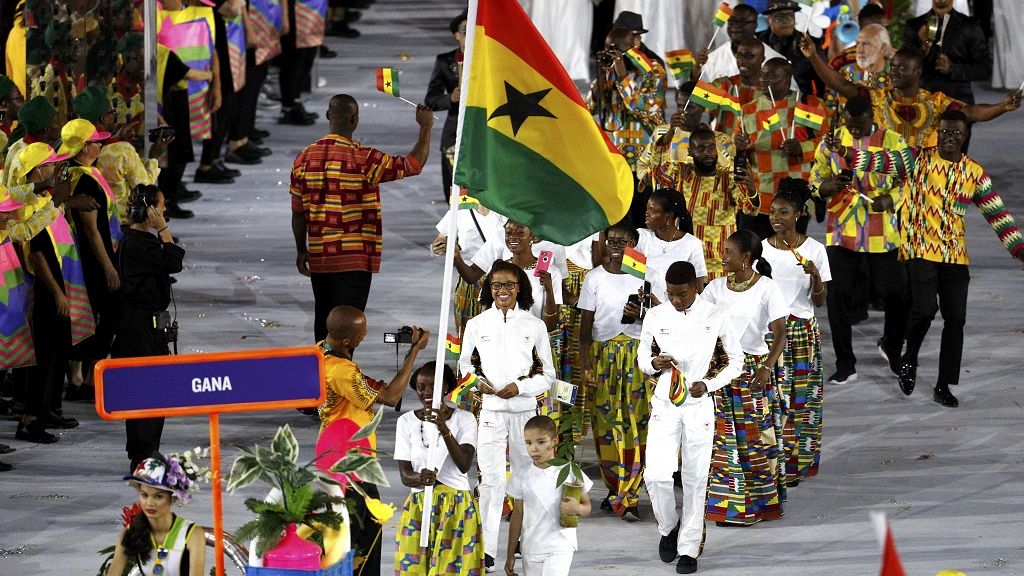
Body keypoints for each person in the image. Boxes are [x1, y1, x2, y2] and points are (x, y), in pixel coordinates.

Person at [829, 109, 1024, 408]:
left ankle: (943, 384)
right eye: (944, 131)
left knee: (956, 319)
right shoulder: (917, 159)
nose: (949, 137)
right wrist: (846, 152)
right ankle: (909, 358)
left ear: (965, 136)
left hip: (954, 253)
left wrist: (1019, 250)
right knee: (924, 309)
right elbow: (881, 160)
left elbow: (997, 215)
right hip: (919, 248)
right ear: (938, 132)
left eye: (955, 132)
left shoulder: (975, 174)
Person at [291, 94, 432, 342]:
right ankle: (341, 368)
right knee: (347, 331)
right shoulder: (364, 159)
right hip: (354, 259)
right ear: (354, 119)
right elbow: (413, 164)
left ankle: (323, 366)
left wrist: (301, 250)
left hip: (321, 257)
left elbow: (298, 213)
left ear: (328, 116)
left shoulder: (303, 159)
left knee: (324, 325)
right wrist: (426, 127)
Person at [638, 261, 743, 574]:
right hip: (665, 404)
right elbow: (642, 356)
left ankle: (688, 549)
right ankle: (669, 526)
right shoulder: (656, 316)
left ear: (696, 287)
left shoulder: (716, 314)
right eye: (671, 294)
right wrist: (654, 363)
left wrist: (709, 385)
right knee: (656, 474)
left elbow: (736, 361)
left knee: (695, 479)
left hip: (699, 405)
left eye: (682, 294)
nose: (676, 300)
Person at [458, 260, 556, 572]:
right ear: (489, 289)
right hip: (490, 413)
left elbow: (548, 375)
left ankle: (526, 542)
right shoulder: (476, 324)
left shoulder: (534, 325)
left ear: (519, 288)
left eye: (509, 285)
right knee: (491, 481)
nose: (503, 290)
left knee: (528, 478)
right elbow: (465, 366)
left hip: (524, 413)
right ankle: (487, 550)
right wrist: (478, 384)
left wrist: (521, 387)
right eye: (497, 285)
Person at [317, 305, 429, 575]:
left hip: (341, 453)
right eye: (362, 334)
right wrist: (414, 351)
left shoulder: (320, 350)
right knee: (351, 536)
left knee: (366, 529)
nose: (365, 336)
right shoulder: (341, 371)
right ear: (347, 341)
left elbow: (359, 387)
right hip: (349, 460)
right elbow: (391, 397)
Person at [809, 95, 909, 385]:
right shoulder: (830, 142)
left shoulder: (892, 141)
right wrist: (828, 186)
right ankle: (845, 363)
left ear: (871, 116)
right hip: (842, 231)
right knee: (837, 298)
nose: (852, 130)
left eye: (858, 125)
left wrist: (890, 198)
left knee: (899, 295)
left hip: (884, 233)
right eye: (849, 124)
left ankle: (892, 346)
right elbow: (815, 182)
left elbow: (908, 181)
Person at [702, 230, 788, 526]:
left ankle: (762, 503)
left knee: (756, 439)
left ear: (746, 258)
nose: (722, 256)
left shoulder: (767, 288)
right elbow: (698, 321)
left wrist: (766, 367)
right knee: (724, 440)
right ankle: (733, 506)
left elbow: (780, 333)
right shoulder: (715, 288)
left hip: (752, 372)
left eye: (728, 252)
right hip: (721, 371)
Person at [15, 143, 94, 444]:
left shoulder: (46, 200)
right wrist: (58, 293)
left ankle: (47, 409)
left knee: (59, 351)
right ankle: (29, 420)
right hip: (45, 291)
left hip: (60, 287)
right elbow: (36, 255)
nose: (56, 169)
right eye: (50, 165)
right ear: (36, 171)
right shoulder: (29, 207)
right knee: (44, 357)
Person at [803, 42, 1021, 149]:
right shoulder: (878, 98)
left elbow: (972, 112)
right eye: (893, 67)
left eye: (902, 68)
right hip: (883, 183)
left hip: (922, 188)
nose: (894, 72)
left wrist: (1002, 107)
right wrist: (813, 56)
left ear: (917, 72)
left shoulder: (936, 103)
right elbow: (841, 84)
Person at [761, 179, 830, 485]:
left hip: (801, 333)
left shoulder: (815, 250)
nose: (776, 217)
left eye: (784, 212)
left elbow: (820, 301)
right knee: (772, 401)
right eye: (773, 211)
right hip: (769, 335)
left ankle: (793, 464)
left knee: (800, 401)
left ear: (799, 214)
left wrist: (815, 276)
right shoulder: (761, 250)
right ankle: (771, 462)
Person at [576, 222, 646, 521]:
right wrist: (585, 363)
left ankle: (631, 494)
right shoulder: (594, 277)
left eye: (623, 240)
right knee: (605, 425)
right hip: (603, 357)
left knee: (635, 424)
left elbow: (659, 317)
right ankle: (614, 488)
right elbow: (585, 328)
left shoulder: (645, 275)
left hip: (636, 356)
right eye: (611, 240)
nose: (616, 245)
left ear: (634, 244)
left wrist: (642, 312)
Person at [112, 185, 185, 469]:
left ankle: (148, 451)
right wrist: (163, 229)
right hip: (139, 330)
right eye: (161, 206)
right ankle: (142, 455)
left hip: (148, 327)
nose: (164, 210)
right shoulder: (137, 245)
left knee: (154, 391)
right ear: (149, 210)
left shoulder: (139, 241)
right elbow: (174, 261)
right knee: (146, 393)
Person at [393, 361, 483, 575]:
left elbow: (464, 464)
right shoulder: (406, 422)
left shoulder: (465, 419)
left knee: (452, 570)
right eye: (421, 387)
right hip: (420, 505)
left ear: (446, 387)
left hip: (456, 506)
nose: (426, 392)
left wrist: (443, 428)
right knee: (413, 569)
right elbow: (405, 476)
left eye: (433, 387)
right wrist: (420, 478)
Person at [739, 58, 828, 240]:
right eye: (762, 74)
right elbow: (737, 151)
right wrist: (738, 146)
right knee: (754, 251)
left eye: (771, 75)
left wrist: (802, 148)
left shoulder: (810, 105)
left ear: (787, 78)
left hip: (795, 198)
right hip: (758, 198)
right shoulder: (748, 110)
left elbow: (828, 144)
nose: (764, 79)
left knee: (790, 252)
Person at [588, 28, 665, 228]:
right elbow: (591, 107)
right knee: (618, 222)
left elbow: (644, 108)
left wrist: (623, 76)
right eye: (609, 50)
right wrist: (603, 76)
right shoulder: (609, 70)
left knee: (643, 220)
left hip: (645, 162)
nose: (614, 55)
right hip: (616, 160)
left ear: (635, 46)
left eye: (618, 51)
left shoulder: (653, 70)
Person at [60, 119, 120, 370]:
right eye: (96, 142)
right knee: (109, 314)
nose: (101, 146)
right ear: (84, 147)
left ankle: (79, 375)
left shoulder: (71, 173)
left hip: (78, 259)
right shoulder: (86, 181)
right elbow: (91, 230)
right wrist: (109, 267)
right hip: (94, 260)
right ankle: (87, 376)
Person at [504, 414, 592, 576]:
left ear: (554, 440)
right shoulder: (521, 475)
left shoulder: (570, 470)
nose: (534, 448)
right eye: (528, 443)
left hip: (560, 544)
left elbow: (587, 507)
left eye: (541, 442)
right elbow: (517, 515)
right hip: (531, 547)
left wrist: (577, 508)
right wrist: (510, 554)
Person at [106, 453, 206, 576]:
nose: (149, 503)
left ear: (172, 497)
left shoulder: (192, 534)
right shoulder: (130, 533)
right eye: (144, 495)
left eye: (158, 496)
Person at [455, 220, 565, 331]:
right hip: (500, 338)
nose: (512, 237)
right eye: (508, 233)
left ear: (533, 237)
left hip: (533, 338)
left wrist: (549, 292)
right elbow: (485, 314)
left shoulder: (551, 273)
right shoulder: (496, 270)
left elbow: (550, 326)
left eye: (520, 233)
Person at [636, 82, 737, 189]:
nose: (682, 112)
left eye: (689, 107)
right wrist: (648, 177)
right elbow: (642, 165)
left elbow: (735, 172)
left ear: (702, 108)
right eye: (679, 106)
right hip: (667, 198)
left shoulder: (721, 139)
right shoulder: (661, 133)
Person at [430, 202, 505, 338]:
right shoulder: (459, 210)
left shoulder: (506, 213)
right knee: (468, 333)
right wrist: (440, 246)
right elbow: (441, 238)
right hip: (469, 277)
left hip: (500, 279)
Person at [903, 0, 991, 105]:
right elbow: (903, 67)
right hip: (922, 101)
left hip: (958, 101)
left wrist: (952, 68)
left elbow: (984, 70)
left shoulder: (970, 25)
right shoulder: (914, 25)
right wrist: (922, 50)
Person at [424, 10, 467, 202]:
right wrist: (451, 98)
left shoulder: (488, 60)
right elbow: (430, 99)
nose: (469, 35)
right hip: (454, 129)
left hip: (482, 128)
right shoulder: (445, 61)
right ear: (457, 35)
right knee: (454, 192)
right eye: (465, 31)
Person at [637, 190, 707, 302]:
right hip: (641, 308)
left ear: (668, 216)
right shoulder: (641, 236)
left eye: (652, 210)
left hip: (675, 309)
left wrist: (661, 308)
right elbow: (628, 275)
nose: (646, 214)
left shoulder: (692, 244)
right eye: (647, 209)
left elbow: (697, 289)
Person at [696, 3, 784, 85]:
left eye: (742, 22)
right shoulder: (712, 59)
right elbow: (700, 88)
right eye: (731, 21)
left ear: (755, 25)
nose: (735, 26)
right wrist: (696, 70)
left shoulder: (776, 60)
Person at [756, 0, 820, 97]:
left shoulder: (812, 44)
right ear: (769, 18)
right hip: (763, 100)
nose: (786, 21)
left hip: (801, 101)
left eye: (790, 16)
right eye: (780, 17)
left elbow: (821, 81)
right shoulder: (756, 41)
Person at [710, 38, 768, 133]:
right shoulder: (723, 84)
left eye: (748, 56)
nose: (741, 60)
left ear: (762, 59)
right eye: (739, 55)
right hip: (724, 142)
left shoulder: (770, 91)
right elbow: (700, 111)